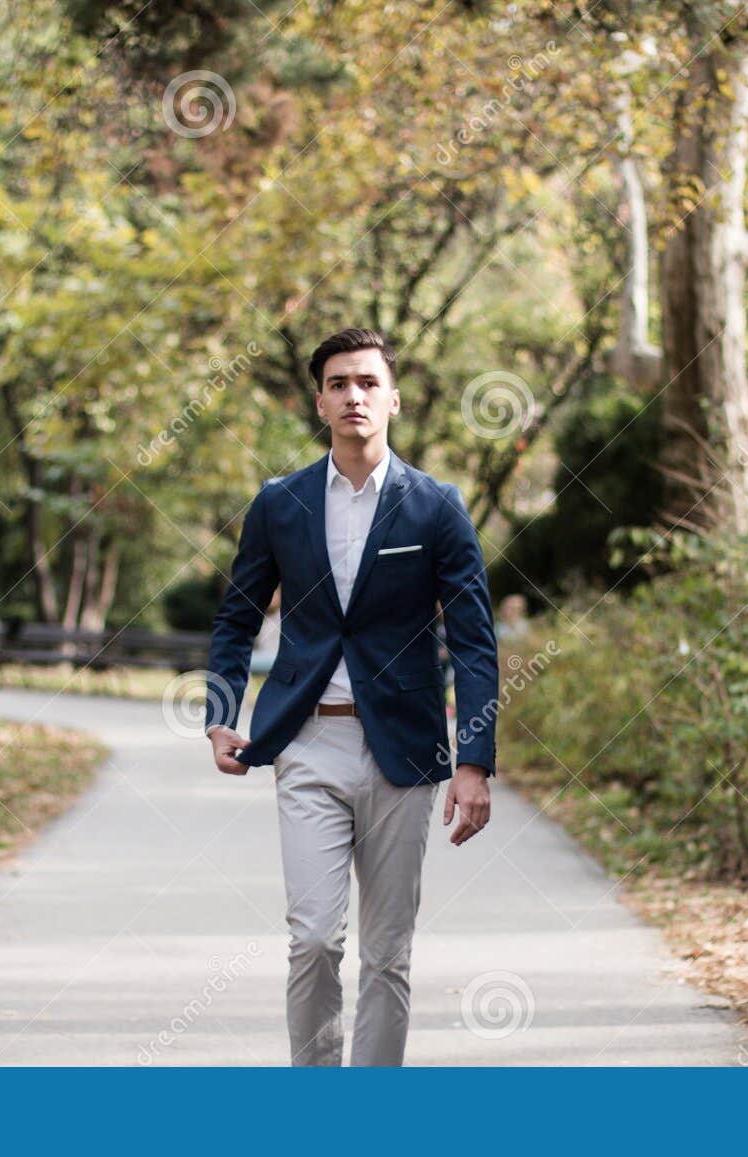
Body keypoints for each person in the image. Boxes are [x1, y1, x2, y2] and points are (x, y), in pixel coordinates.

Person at [203, 327, 500, 1067]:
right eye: (338, 383)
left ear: (392, 398)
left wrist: (475, 760)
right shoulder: (280, 503)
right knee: (312, 939)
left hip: (402, 749)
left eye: (367, 382)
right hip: (307, 742)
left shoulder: (435, 506)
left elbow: (473, 641)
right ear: (320, 401)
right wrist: (219, 715)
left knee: (388, 951)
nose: (353, 396)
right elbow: (238, 615)